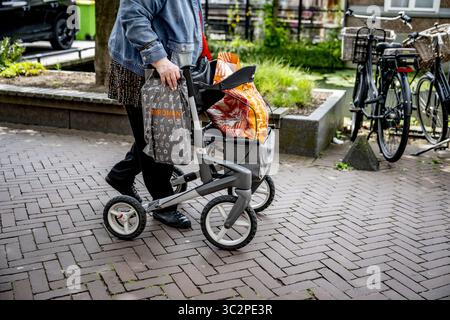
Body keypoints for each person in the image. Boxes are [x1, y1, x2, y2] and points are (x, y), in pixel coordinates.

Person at [105, 0, 211, 229]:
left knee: (156, 131)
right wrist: (159, 59)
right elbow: (132, 15)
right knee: (156, 137)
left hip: (168, 69)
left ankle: (121, 175)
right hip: (141, 70)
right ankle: (163, 205)